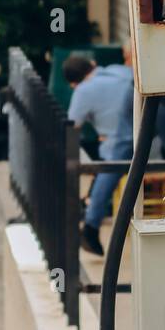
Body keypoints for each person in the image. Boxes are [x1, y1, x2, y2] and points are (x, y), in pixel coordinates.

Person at [63, 54, 135, 256]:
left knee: (107, 164)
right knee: (106, 156)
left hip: (123, 144)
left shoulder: (83, 91)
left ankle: (91, 225)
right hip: (153, 135)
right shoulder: (118, 70)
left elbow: (72, 126)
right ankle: (89, 211)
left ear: (73, 84)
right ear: (93, 64)